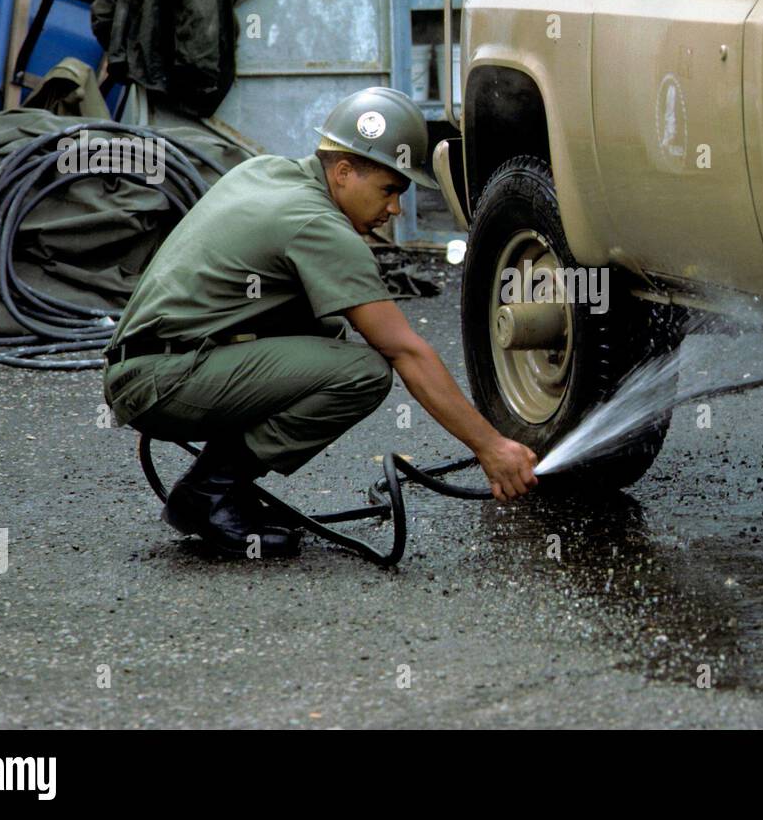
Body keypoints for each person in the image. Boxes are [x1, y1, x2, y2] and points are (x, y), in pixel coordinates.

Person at [102, 87, 538, 557]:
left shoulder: (266, 171)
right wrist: (491, 447)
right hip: (162, 379)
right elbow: (405, 351)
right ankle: (208, 492)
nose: (394, 209)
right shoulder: (317, 225)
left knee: (327, 335)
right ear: (345, 172)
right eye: (389, 190)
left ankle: (222, 489)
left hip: (148, 365)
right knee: (362, 372)